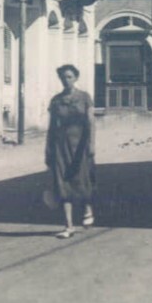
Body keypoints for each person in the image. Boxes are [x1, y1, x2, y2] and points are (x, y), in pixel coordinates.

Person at [46, 64, 96, 238]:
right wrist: (48, 150)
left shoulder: (84, 98)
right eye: (63, 77)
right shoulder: (56, 101)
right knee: (62, 183)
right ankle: (69, 226)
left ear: (75, 78)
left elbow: (90, 123)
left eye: (69, 77)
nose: (66, 80)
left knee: (82, 180)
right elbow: (52, 127)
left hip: (80, 145)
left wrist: (91, 144)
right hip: (61, 145)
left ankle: (87, 208)